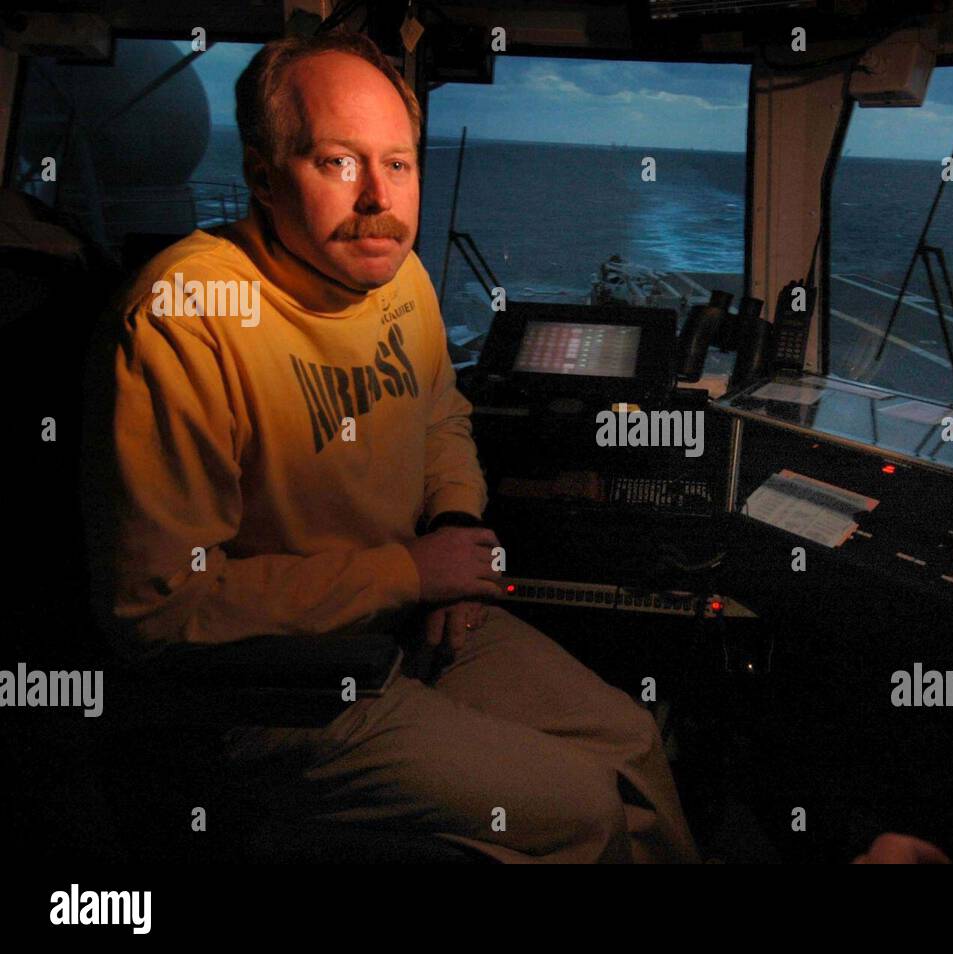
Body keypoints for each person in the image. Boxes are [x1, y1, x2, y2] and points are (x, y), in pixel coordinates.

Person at [81, 31, 698, 864]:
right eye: (338, 162)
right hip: (281, 681)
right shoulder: (185, 317)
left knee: (629, 736)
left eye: (399, 164)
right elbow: (156, 608)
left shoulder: (393, 273)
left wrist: (453, 539)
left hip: (418, 621)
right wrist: (410, 571)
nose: (379, 198)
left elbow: (439, 416)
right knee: (578, 805)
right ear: (264, 177)